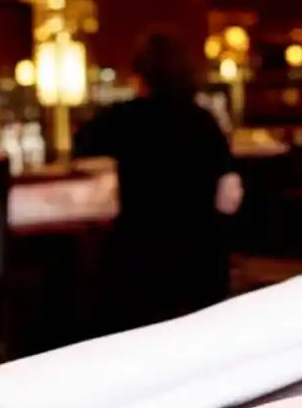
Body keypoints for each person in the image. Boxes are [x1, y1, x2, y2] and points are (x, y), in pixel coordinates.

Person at [75, 32, 244, 331]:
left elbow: (78, 157)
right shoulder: (204, 121)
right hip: (200, 261)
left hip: (136, 259)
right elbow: (229, 198)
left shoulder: (116, 119)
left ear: (140, 74)